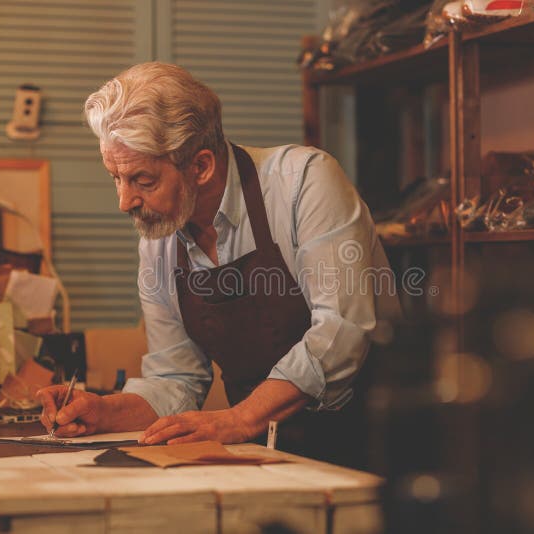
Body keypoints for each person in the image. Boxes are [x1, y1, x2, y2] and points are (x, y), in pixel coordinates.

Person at [37, 62, 400, 466]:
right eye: (115, 178)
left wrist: (241, 417)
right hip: (266, 449)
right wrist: (105, 411)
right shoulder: (160, 239)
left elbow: (341, 330)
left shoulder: (304, 183)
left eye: (143, 180)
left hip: (375, 438)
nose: (125, 202)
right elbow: (176, 378)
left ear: (201, 166)